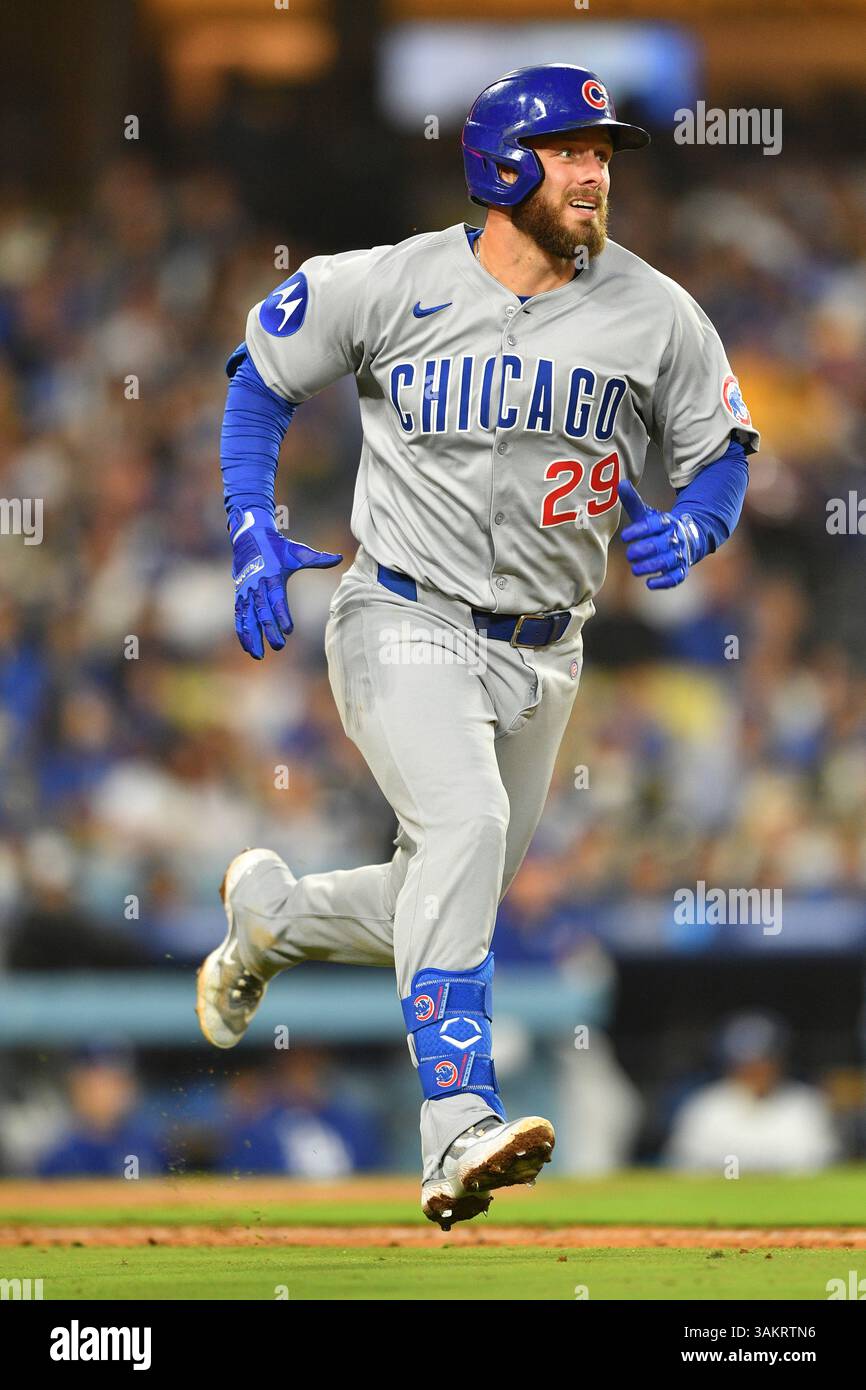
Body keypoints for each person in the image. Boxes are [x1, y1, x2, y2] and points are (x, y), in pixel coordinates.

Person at [197, 63, 758, 1229]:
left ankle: (273, 920)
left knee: (447, 887)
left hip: (546, 648)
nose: (596, 169)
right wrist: (251, 523)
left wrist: (699, 519)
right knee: (467, 828)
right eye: (568, 149)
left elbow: (723, 444)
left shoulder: (653, 310)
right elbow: (258, 378)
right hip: (400, 608)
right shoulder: (388, 282)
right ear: (502, 163)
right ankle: (456, 1120)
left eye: (602, 150)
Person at [665, 1012, 840, 1173]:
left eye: (764, 1060)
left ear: (780, 1060)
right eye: (746, 1062)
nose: (756, 1070)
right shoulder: (706, 1106)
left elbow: (822, 1165)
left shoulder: (805, 1104)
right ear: (730, 1063)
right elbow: (684, 1167)